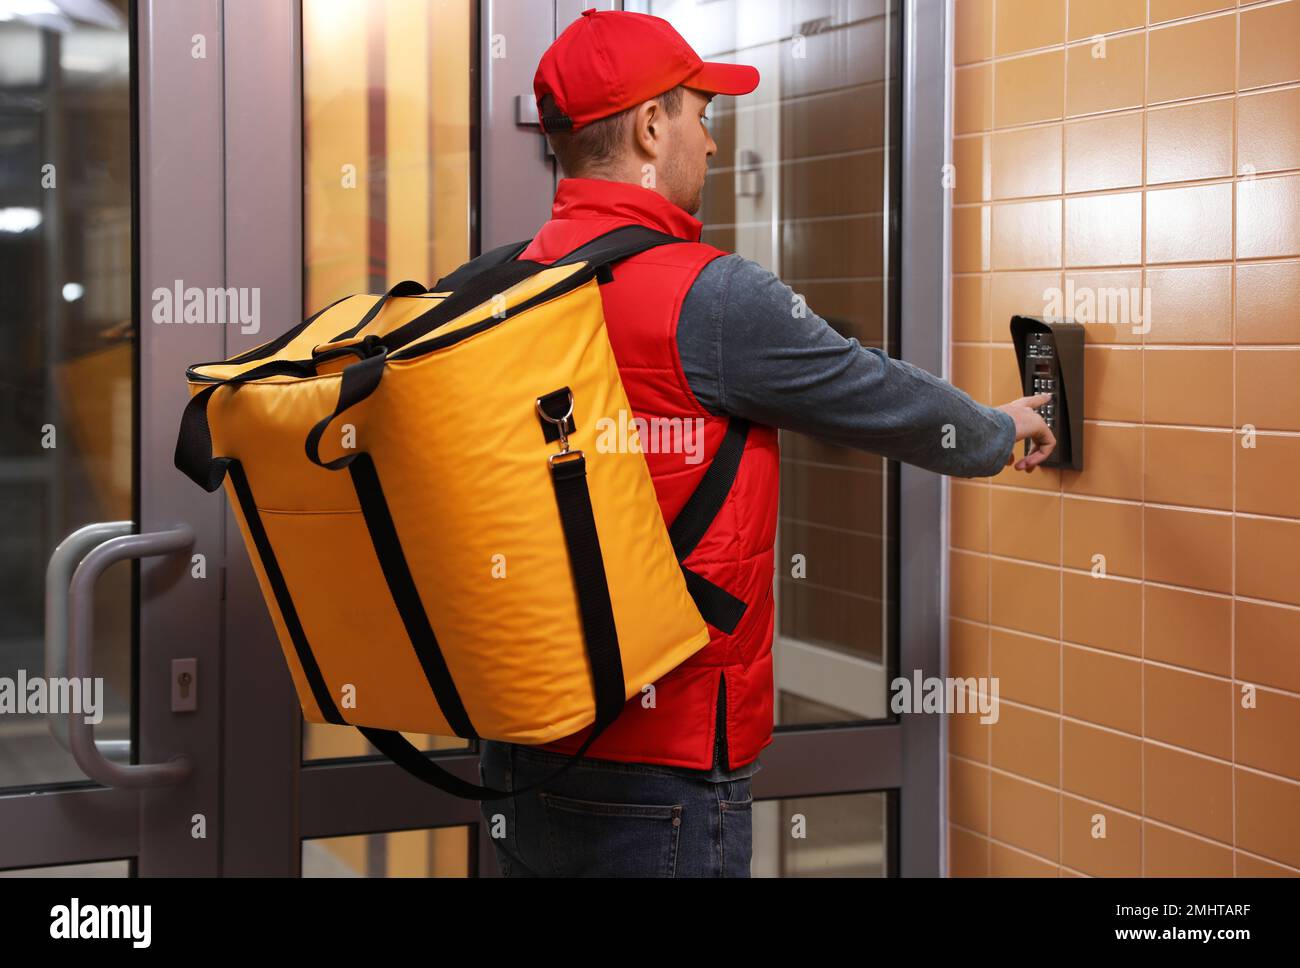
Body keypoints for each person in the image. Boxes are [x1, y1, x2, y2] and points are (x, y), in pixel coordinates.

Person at [478, 8, 1054, 878]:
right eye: (700, 116)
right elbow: (879, 395)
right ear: (648, 126)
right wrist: (999, 429)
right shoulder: (709, 298)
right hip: (664, 766)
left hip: (520, 750)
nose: (711, 145)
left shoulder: (501, 286)